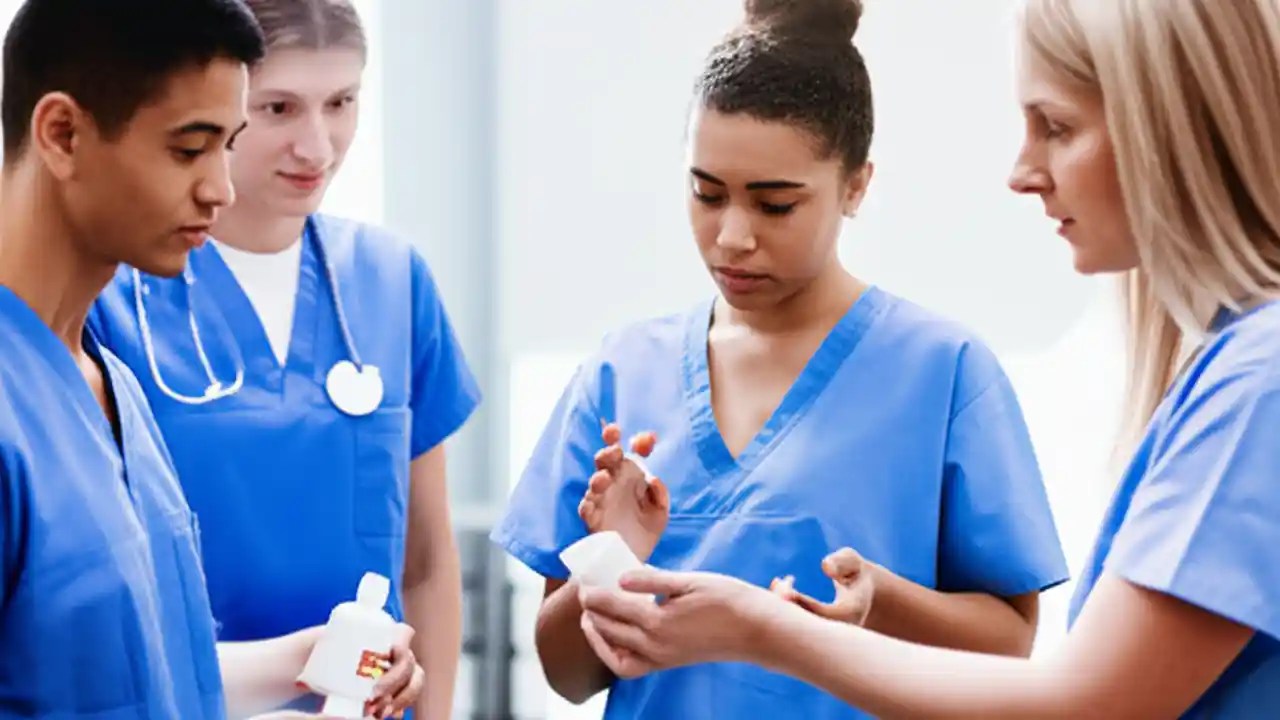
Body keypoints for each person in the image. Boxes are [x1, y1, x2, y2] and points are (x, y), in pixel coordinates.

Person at [577, 0, 1280, 717]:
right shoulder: (1236, 372)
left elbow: (1086, 700)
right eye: (705, 192)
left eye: (1057, 127)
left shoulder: (1259, 384)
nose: (1021, 171)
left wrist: (763, 628)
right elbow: (564, 663)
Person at [491, 0, 1069, 717]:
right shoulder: (621, 371)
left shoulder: (942, 372)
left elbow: (1009, 647)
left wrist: (878, 602)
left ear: (856, 185)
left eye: (775, 206)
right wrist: (611, 563)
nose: (731, 237)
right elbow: (567, 677)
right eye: (707, 193)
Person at [0, 0, 422, 718]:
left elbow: (140, 674)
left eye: (228, 147)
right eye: (189, 149)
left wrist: (307, 663)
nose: (220, 190)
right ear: (63, 134)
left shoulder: (115, 391)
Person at [86, 1, 480, 717]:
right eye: (279, 108)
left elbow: (427, 559)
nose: (319, 146)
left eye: (341, 103)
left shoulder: (393, 280)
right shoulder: (114, 295)